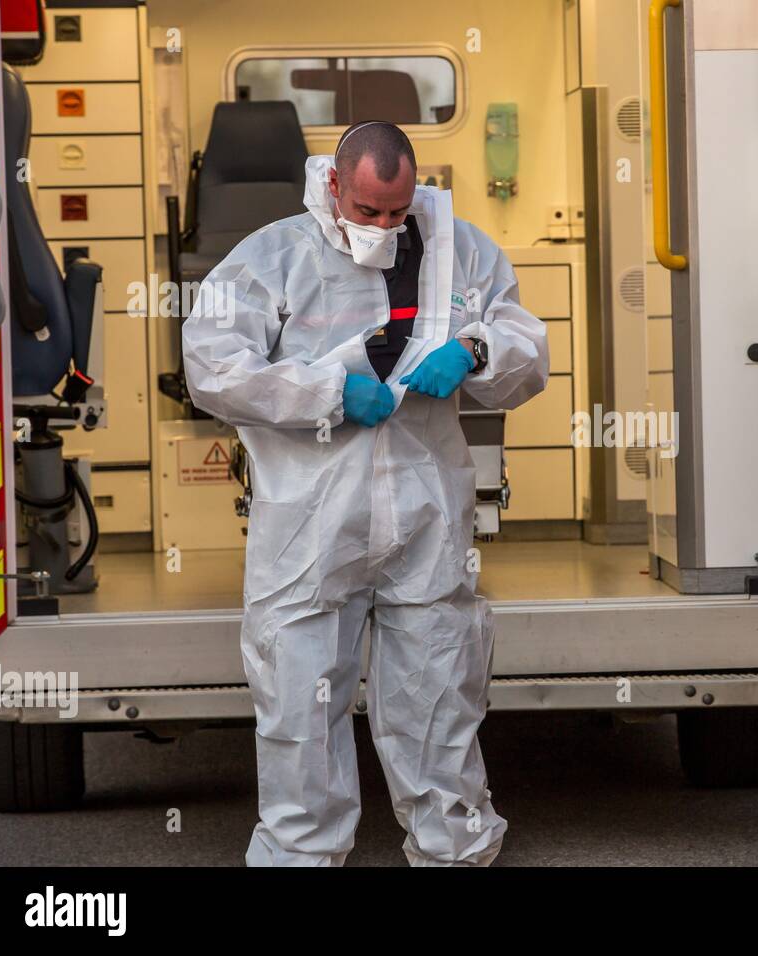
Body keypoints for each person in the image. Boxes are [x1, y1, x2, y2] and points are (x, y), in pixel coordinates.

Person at [182, 121, 549, 866]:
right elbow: (212, 365)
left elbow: (526, 348)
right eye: (368, 210)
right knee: (299, 703)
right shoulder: (276, 255)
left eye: (397, 213)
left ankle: (454, 850)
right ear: (335, 186)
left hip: (424, 514)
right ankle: (299, 854)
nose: (385, 226)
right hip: (311, 520)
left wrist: (475, 349)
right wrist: (327, 391)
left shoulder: (460, 250)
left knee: (439, 694)